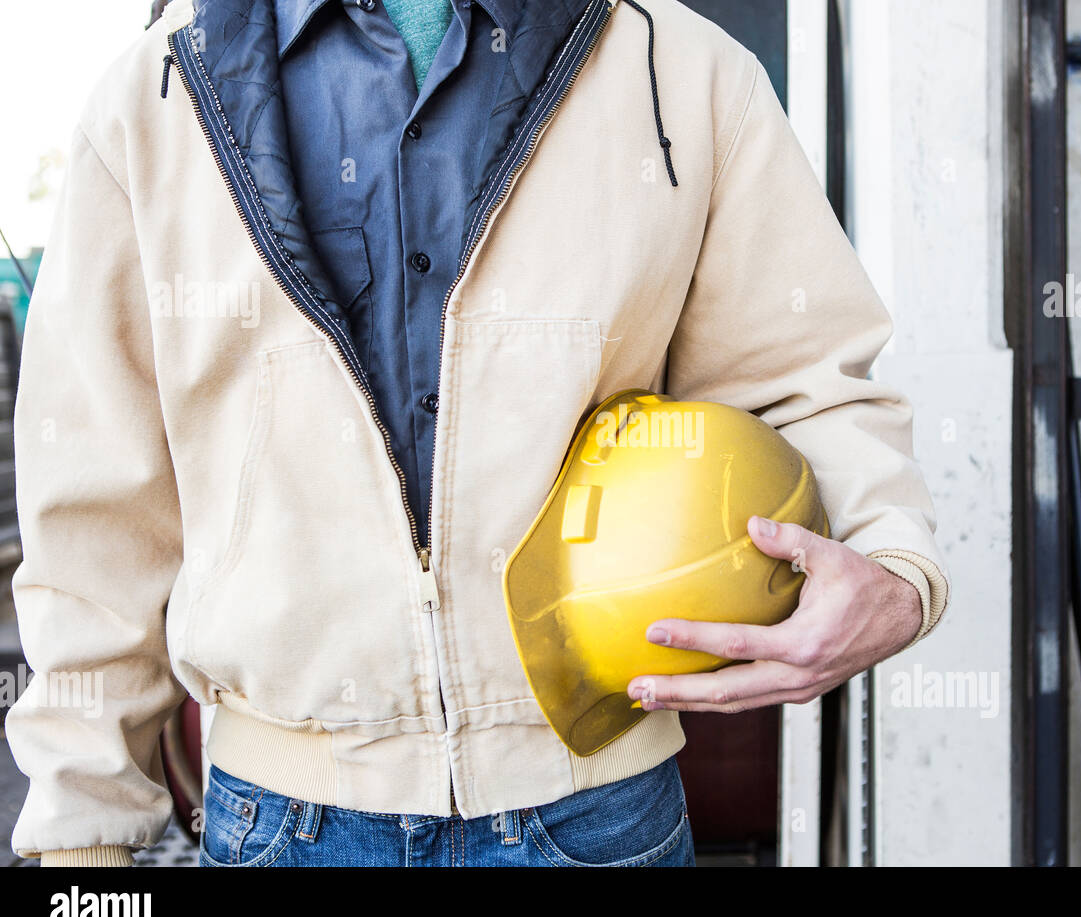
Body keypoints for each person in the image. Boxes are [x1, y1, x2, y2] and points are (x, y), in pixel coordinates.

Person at [7, 0, 949, 867]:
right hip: (282, 827)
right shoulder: (156, 99)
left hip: (597, 815)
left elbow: (806, 387)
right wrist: (82, 834)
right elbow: (96, 508)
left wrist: (896, 570)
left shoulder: (684, 74)